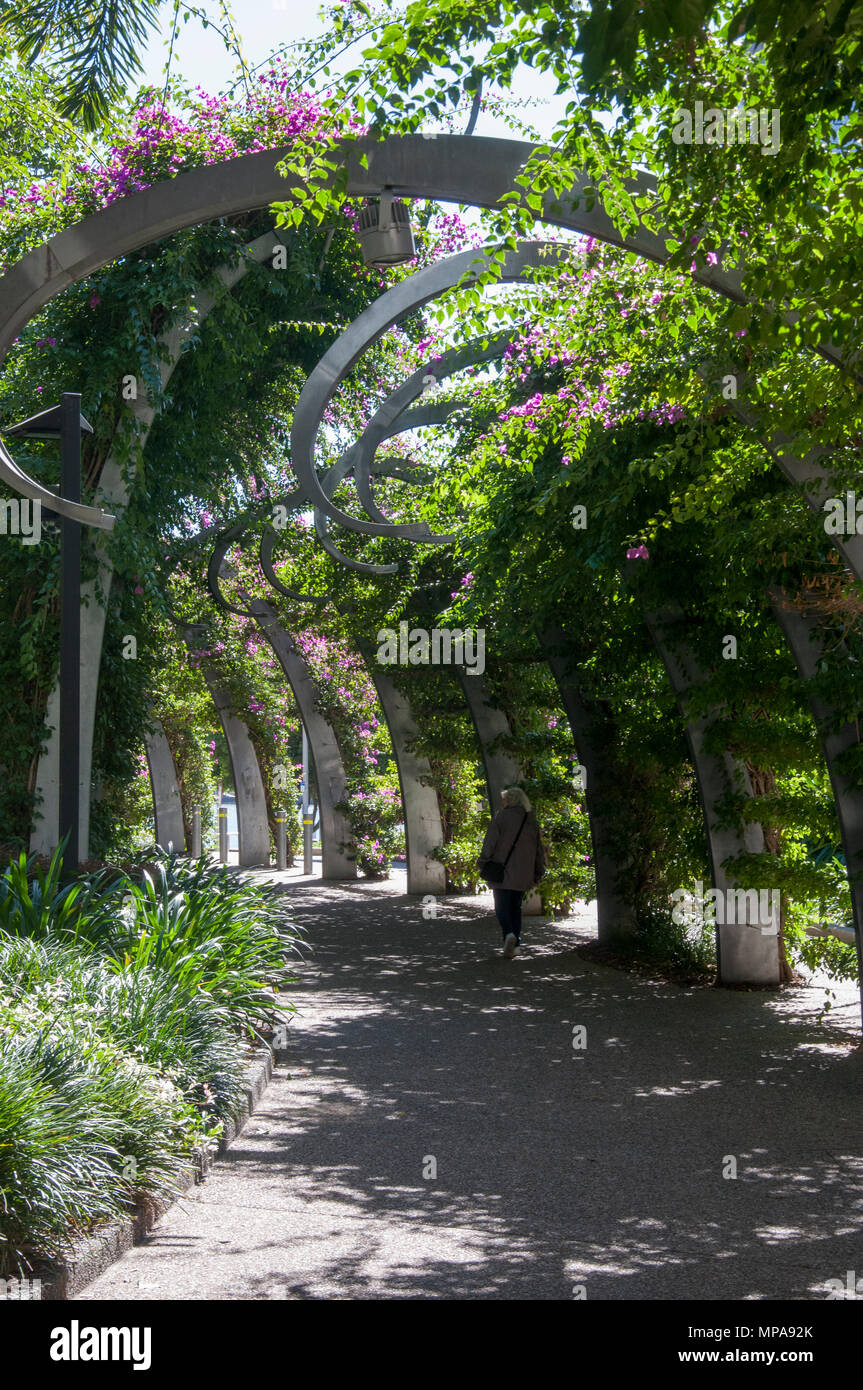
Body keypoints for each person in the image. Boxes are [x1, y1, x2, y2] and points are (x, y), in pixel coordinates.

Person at [479, 786, 546, 958]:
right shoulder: (530, 820)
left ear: (510, 800)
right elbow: (539, 849)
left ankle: (508, 934)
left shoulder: (501, 817)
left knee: (501, 906)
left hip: (502, 870)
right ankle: (515, 945)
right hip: (523, 873)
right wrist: (538, 871)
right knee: (516, 907)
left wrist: (483, 860)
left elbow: (490, 842)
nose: (502, 802)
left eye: (504, 799)